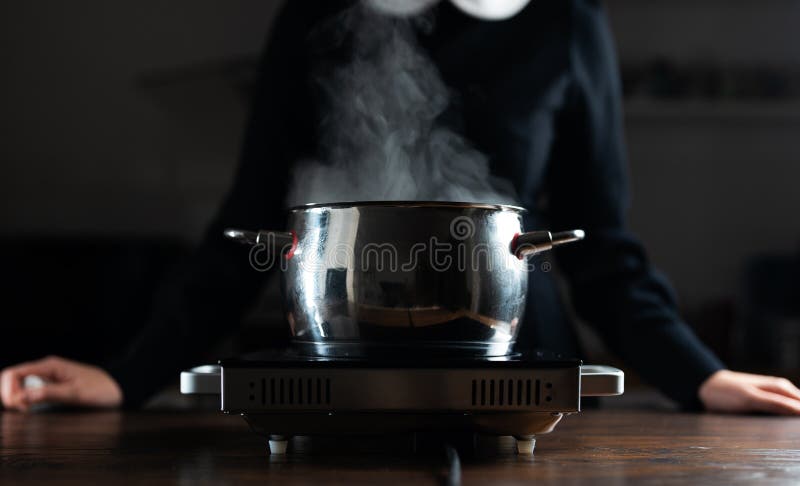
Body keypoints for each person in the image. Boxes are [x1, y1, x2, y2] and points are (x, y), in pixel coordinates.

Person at [3, 0, 800, 414]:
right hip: (346, 370)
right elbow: (246, 228)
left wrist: (702, 377)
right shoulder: (318, 16)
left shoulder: (567, 21)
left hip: (518, 376)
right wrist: (127, 375)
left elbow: (603, 253)